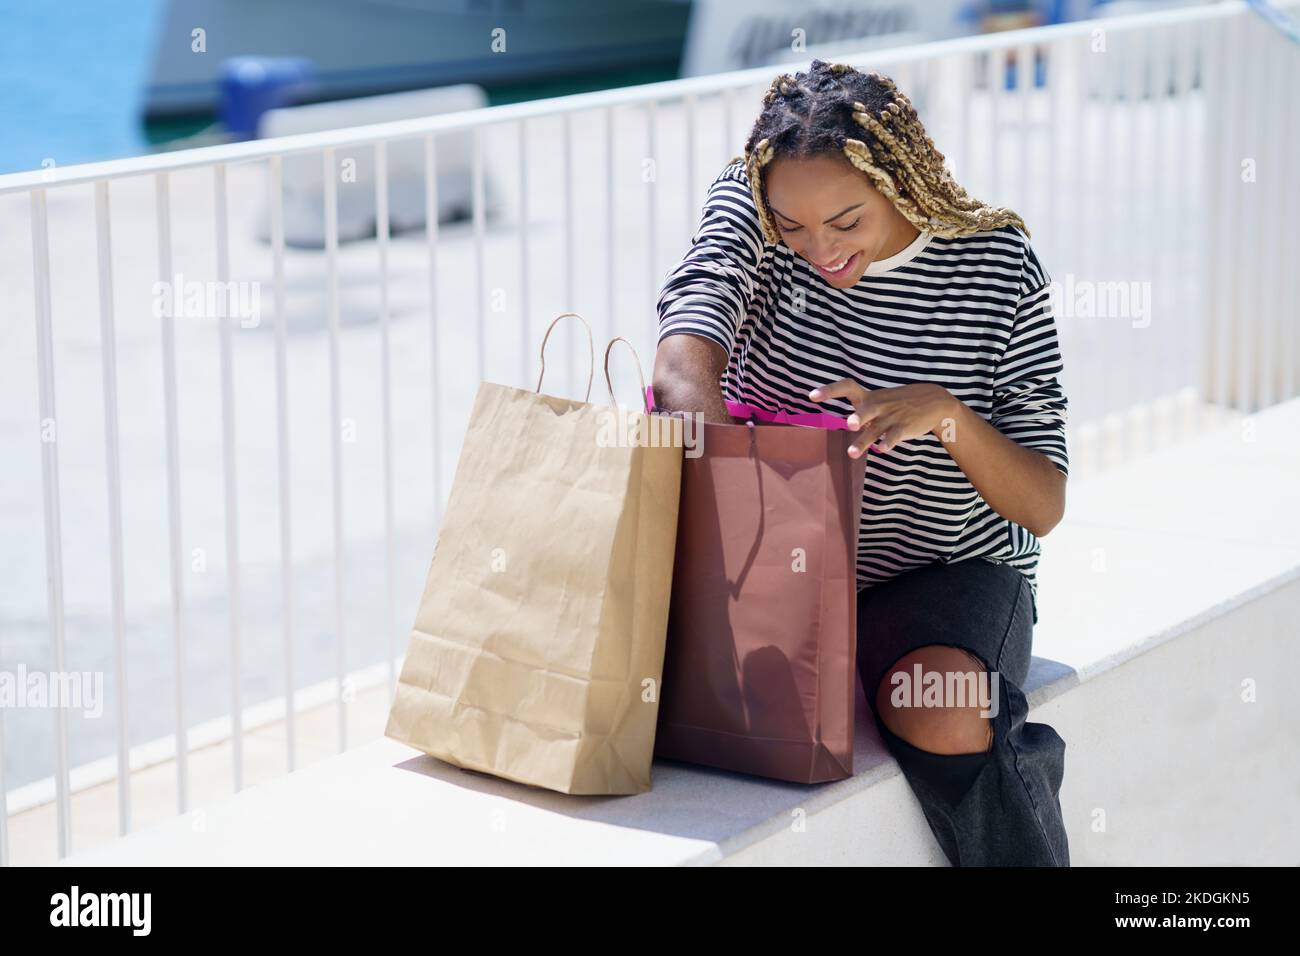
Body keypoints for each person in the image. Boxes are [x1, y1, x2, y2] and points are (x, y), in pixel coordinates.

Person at [651, 59, 1070, 866]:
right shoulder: (752, 202)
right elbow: (680, 363)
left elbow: (1042, 503)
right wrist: (749, 534)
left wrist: (945, 414)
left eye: (847, 221)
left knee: (941, 707)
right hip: (773, 572)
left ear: (900, 183)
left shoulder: (993, 263)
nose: (818, 250)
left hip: (941, 575)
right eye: (794, 228)